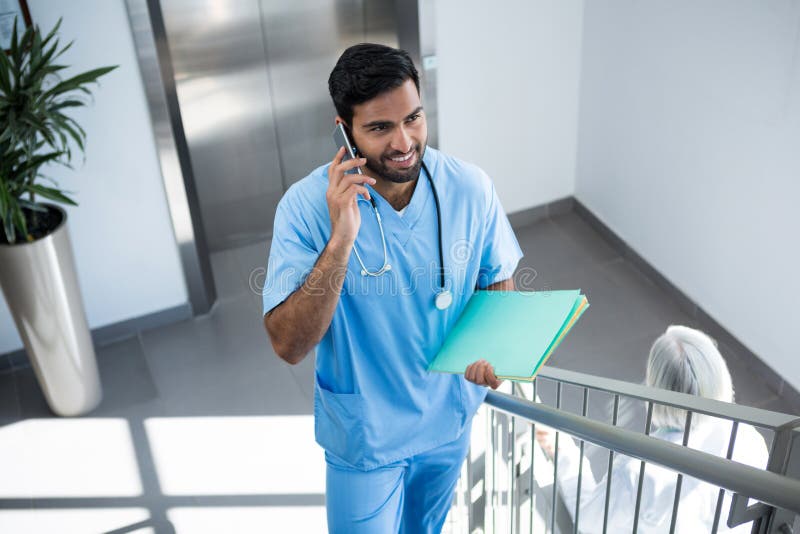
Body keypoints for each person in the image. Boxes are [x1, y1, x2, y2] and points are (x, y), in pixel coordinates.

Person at [262, 43, 523, 533]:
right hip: (367, 440)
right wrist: (341, 238)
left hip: (449, 422)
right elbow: (288, 344)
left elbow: (497, 278)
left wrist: (493, 347)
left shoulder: (469, 187)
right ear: (344, 129)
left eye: (414, 118)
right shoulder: (303, 209)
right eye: (380, 128)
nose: (404, 142)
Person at [535, 325, 768, 533]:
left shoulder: (639, 470)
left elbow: (591, 521)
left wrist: (565, 453)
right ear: (718, 376)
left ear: (655, 387)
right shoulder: (749, 440)